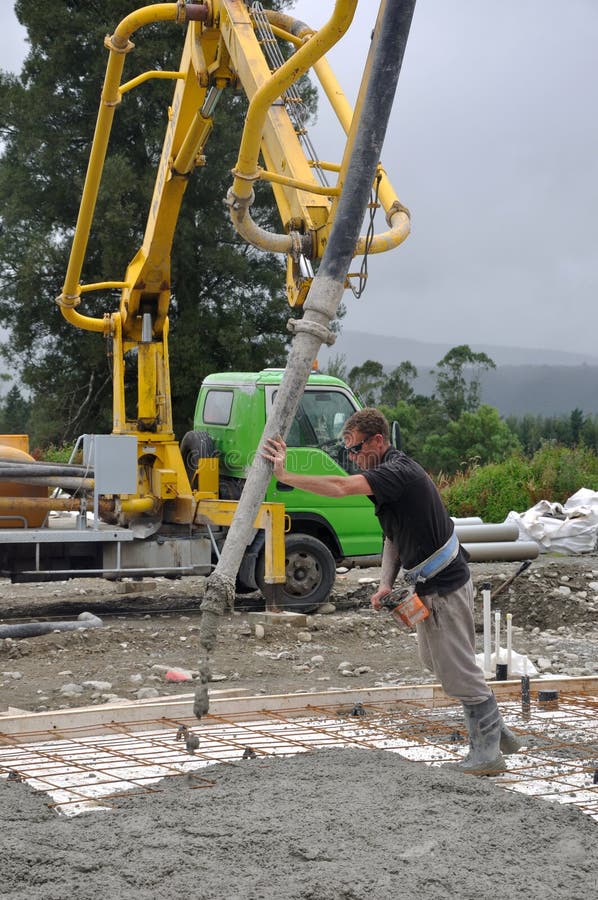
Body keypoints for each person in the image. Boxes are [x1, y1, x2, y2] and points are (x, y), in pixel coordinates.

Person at [263, 407, 521, 773]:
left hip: (445, 585)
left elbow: (339, 488)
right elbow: (392, 535)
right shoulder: (387, 478)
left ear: (378, 441)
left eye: (355, 450)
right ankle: (497, 732)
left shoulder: (397, 472)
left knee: (457, 670)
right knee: (433, 661)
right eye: (348, 451)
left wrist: (286, 474)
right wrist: (385, 583)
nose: (352, 459)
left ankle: (487, 754)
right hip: (427, 584)